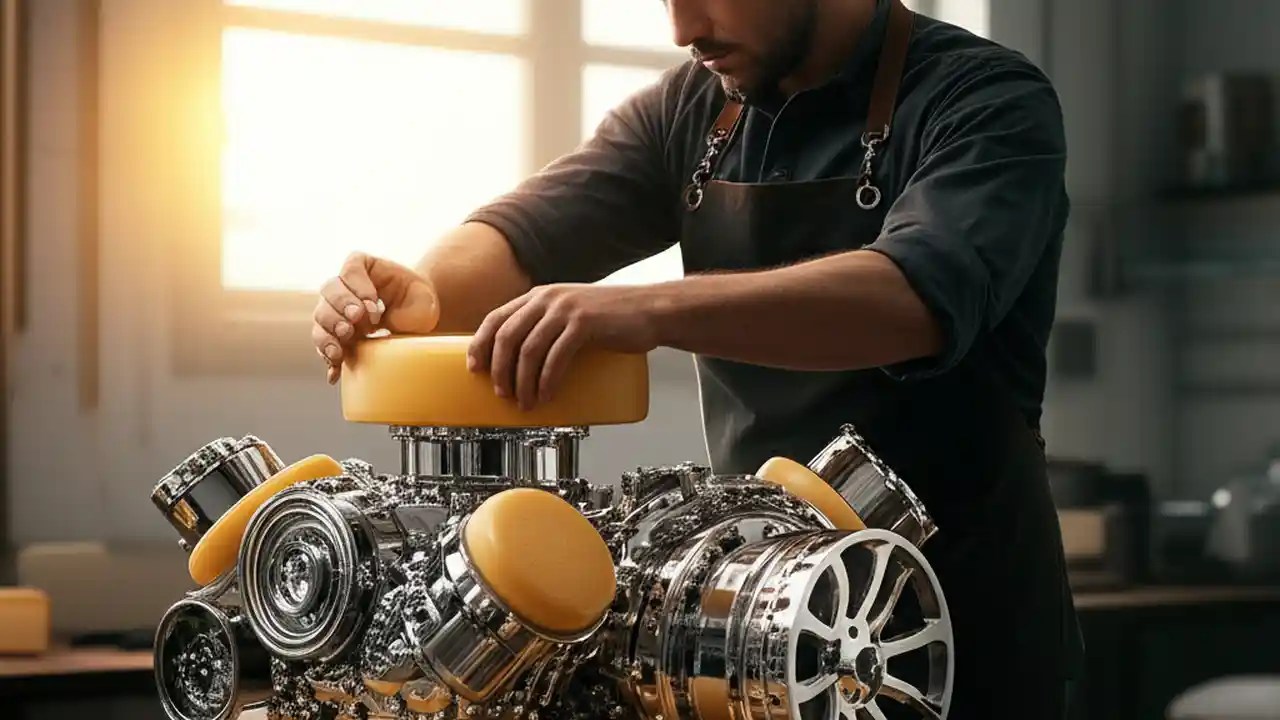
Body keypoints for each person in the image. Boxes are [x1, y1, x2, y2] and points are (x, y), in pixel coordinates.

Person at [312, 0, 1083, 715]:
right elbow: (523, 235)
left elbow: (912, 298)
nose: (683, 28)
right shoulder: (693, 107)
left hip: (955, 623)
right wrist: (422, 293)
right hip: (752, 619)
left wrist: (648, 310)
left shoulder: (985, 99)